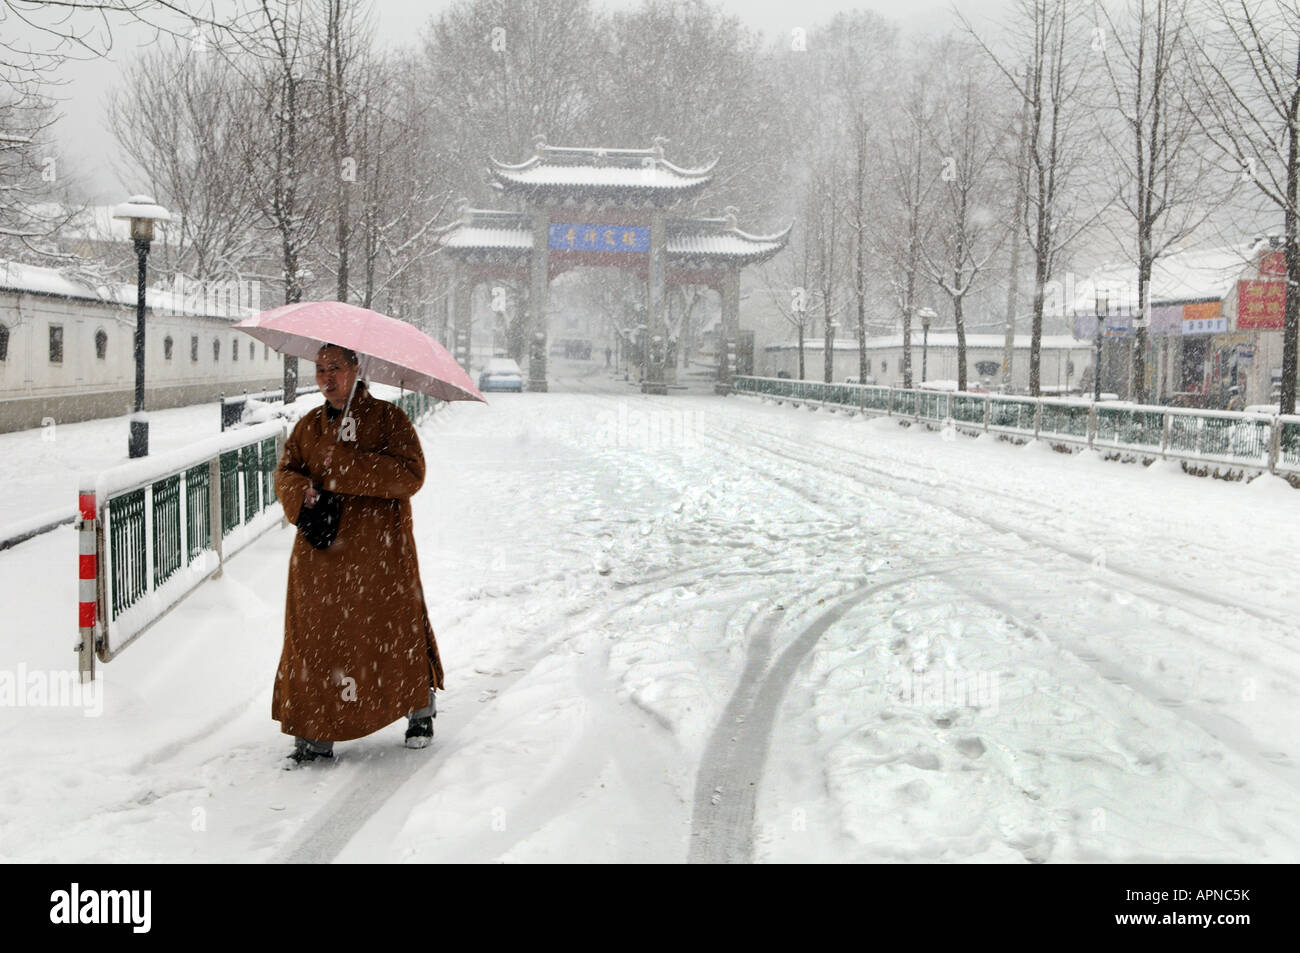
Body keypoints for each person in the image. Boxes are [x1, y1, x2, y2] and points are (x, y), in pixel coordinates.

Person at [272, 343, 445, 768]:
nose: (327, 378)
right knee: (317, 638)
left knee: (392, 629)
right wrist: (302, 494)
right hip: (321, 554)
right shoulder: (309, 426)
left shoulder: (390, 419)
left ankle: (418, 709)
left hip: (378, 551)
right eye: (320, 370)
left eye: (336, 368)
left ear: (356, 369)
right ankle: (317, 729)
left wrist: (348, 464)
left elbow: (410, 475)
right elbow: (286, 472)